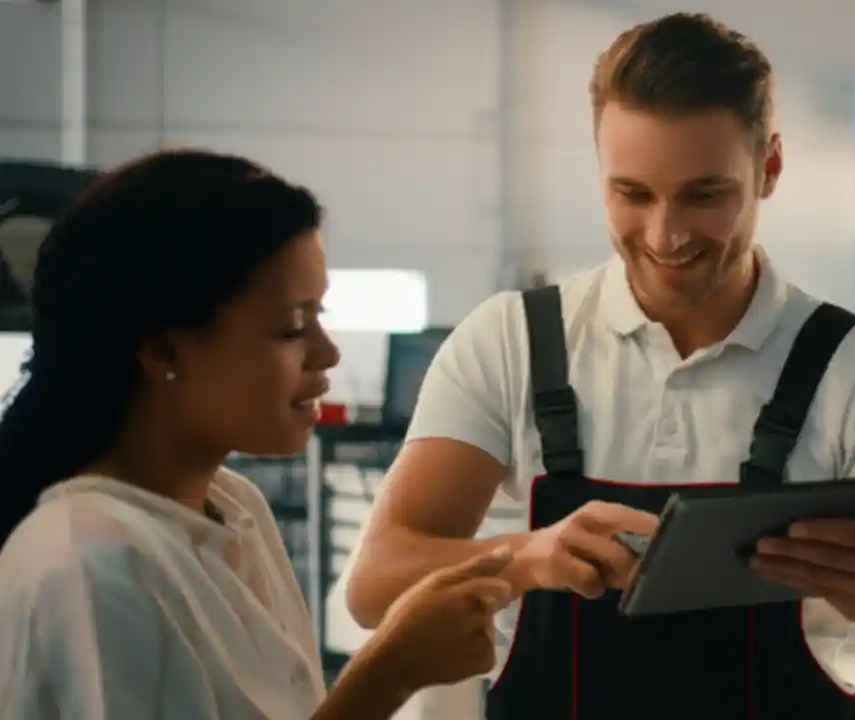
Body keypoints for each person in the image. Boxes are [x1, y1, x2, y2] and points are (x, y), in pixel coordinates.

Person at [346, 11, 855, 719]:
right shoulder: (510, 341)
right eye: (633, 194)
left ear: (769, 167)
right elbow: (375, 586)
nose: (665, 234)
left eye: (704, 195)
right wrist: (527, 556)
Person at [0, 149, 512, 720]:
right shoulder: (92, 564)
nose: (328, 352)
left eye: (321, 316)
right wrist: (390, 671)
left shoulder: (233, 504)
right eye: (293, 328)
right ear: (164, 350)